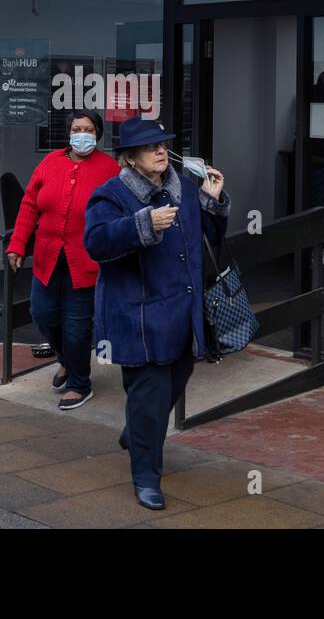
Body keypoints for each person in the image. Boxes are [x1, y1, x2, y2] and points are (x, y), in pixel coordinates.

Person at [84, 115, 229, 510]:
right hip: (139, 318)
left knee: (176, 378)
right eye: (151, 147)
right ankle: (146, 476)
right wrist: (140, 224)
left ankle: (136, 432)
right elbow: (96, 243)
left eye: (163, 143)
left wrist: (211, 203)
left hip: (183, 313)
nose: (161, 150)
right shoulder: (111, 195)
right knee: (150, 397)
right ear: (130, 158)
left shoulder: (182, 186)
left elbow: (208, 241)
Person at [6, 110, 119, 409]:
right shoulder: (50, 163)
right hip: (47, 258)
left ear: (97, 135)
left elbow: (118, 213)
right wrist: (17, 245)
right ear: (68, 133)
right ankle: (66, 360)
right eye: (77, 128)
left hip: (84, 262)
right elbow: (30, 204)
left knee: (76, 326)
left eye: (89, 129)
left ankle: (81, 384)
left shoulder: (108, 169)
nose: (82, 133)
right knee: (42, 313)